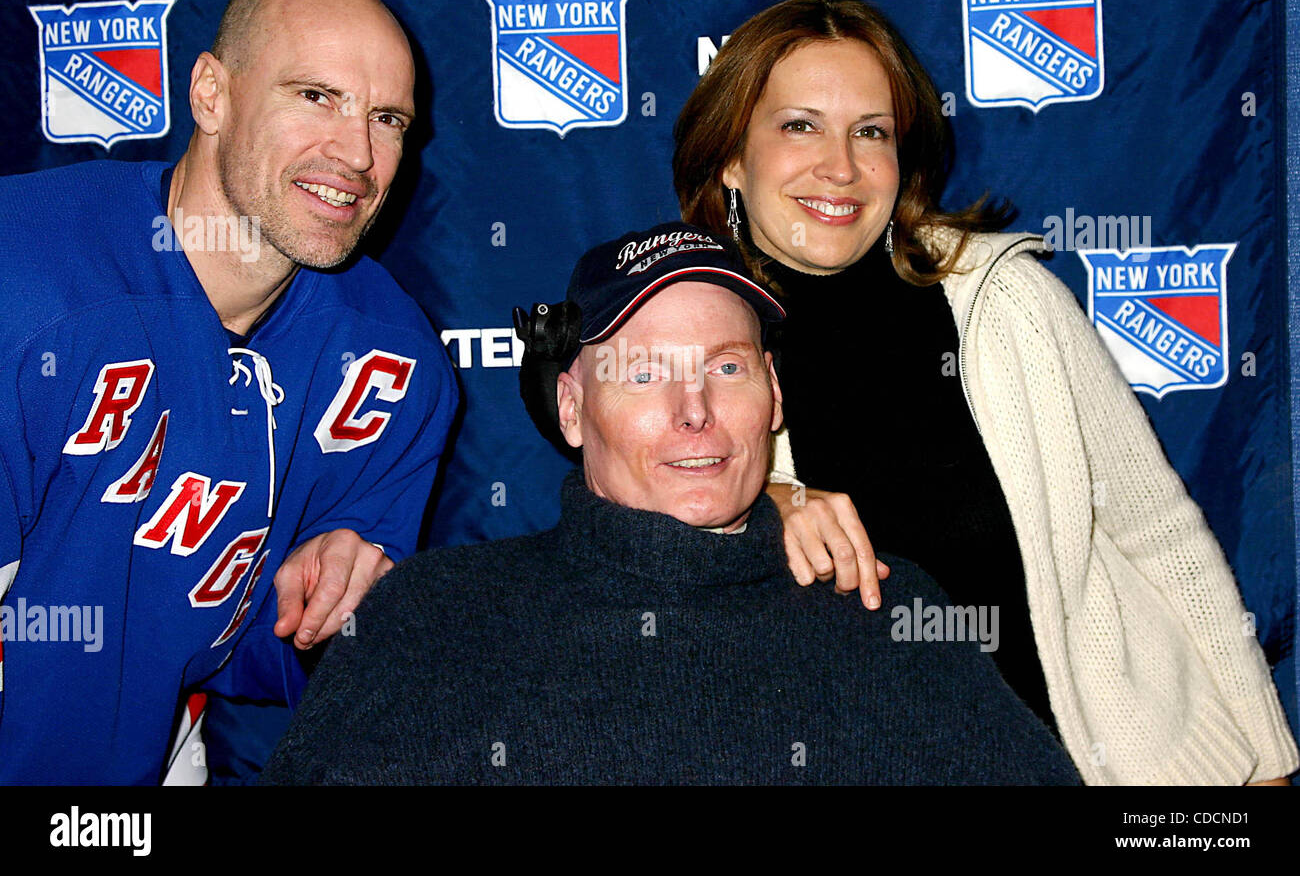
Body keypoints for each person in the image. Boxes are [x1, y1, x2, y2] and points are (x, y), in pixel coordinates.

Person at [672, 0, 1297, 785]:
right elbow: (587, 428)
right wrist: (771, 497)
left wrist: (1265, 765)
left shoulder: (1003, 297)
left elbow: (1159, 529)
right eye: (800, 126)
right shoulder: (683, 337)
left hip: (1116, 770)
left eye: (872, 132)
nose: (841, 165)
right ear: (730, 153)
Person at [261, 222, 1080, 785]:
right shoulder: (432, 619)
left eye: (726, 368)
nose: (695, 411)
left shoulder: (886, 610)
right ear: (573, 408)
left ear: (775, 397)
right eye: (645, 373)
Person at [0, 0, 457, 784]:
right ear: (210, 95)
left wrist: (328, 620)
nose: (356, 153)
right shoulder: (26, 279)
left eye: (386, 118)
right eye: (315, 95)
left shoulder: (395, 365)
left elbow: (254, 661)